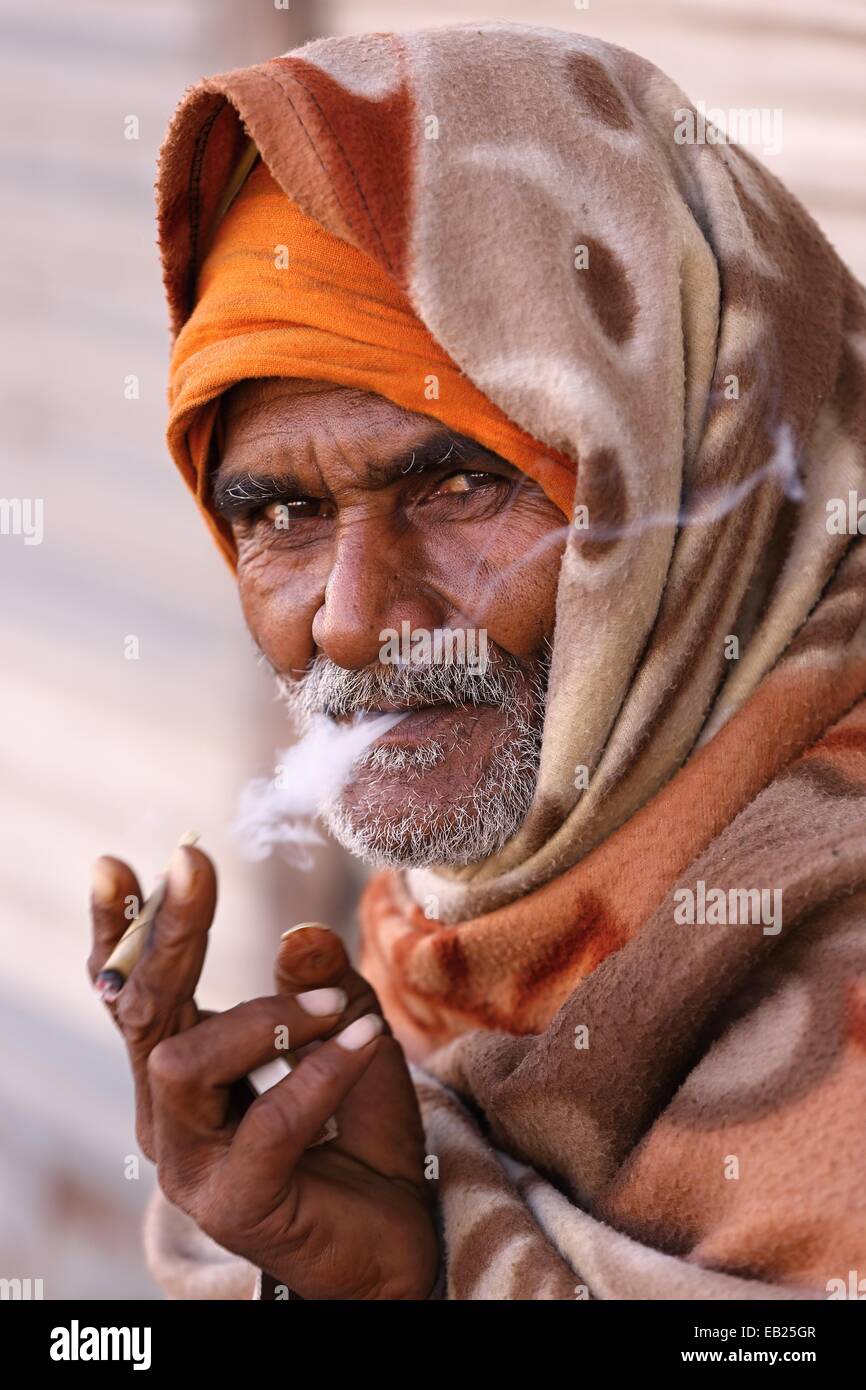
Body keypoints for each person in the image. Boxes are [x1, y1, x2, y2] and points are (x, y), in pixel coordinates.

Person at [89, 23, 866, 1299]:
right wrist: (388, 1268)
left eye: (455, 484)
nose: (346, 621)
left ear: (702, 466)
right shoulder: (460, 910)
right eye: (274, 514)